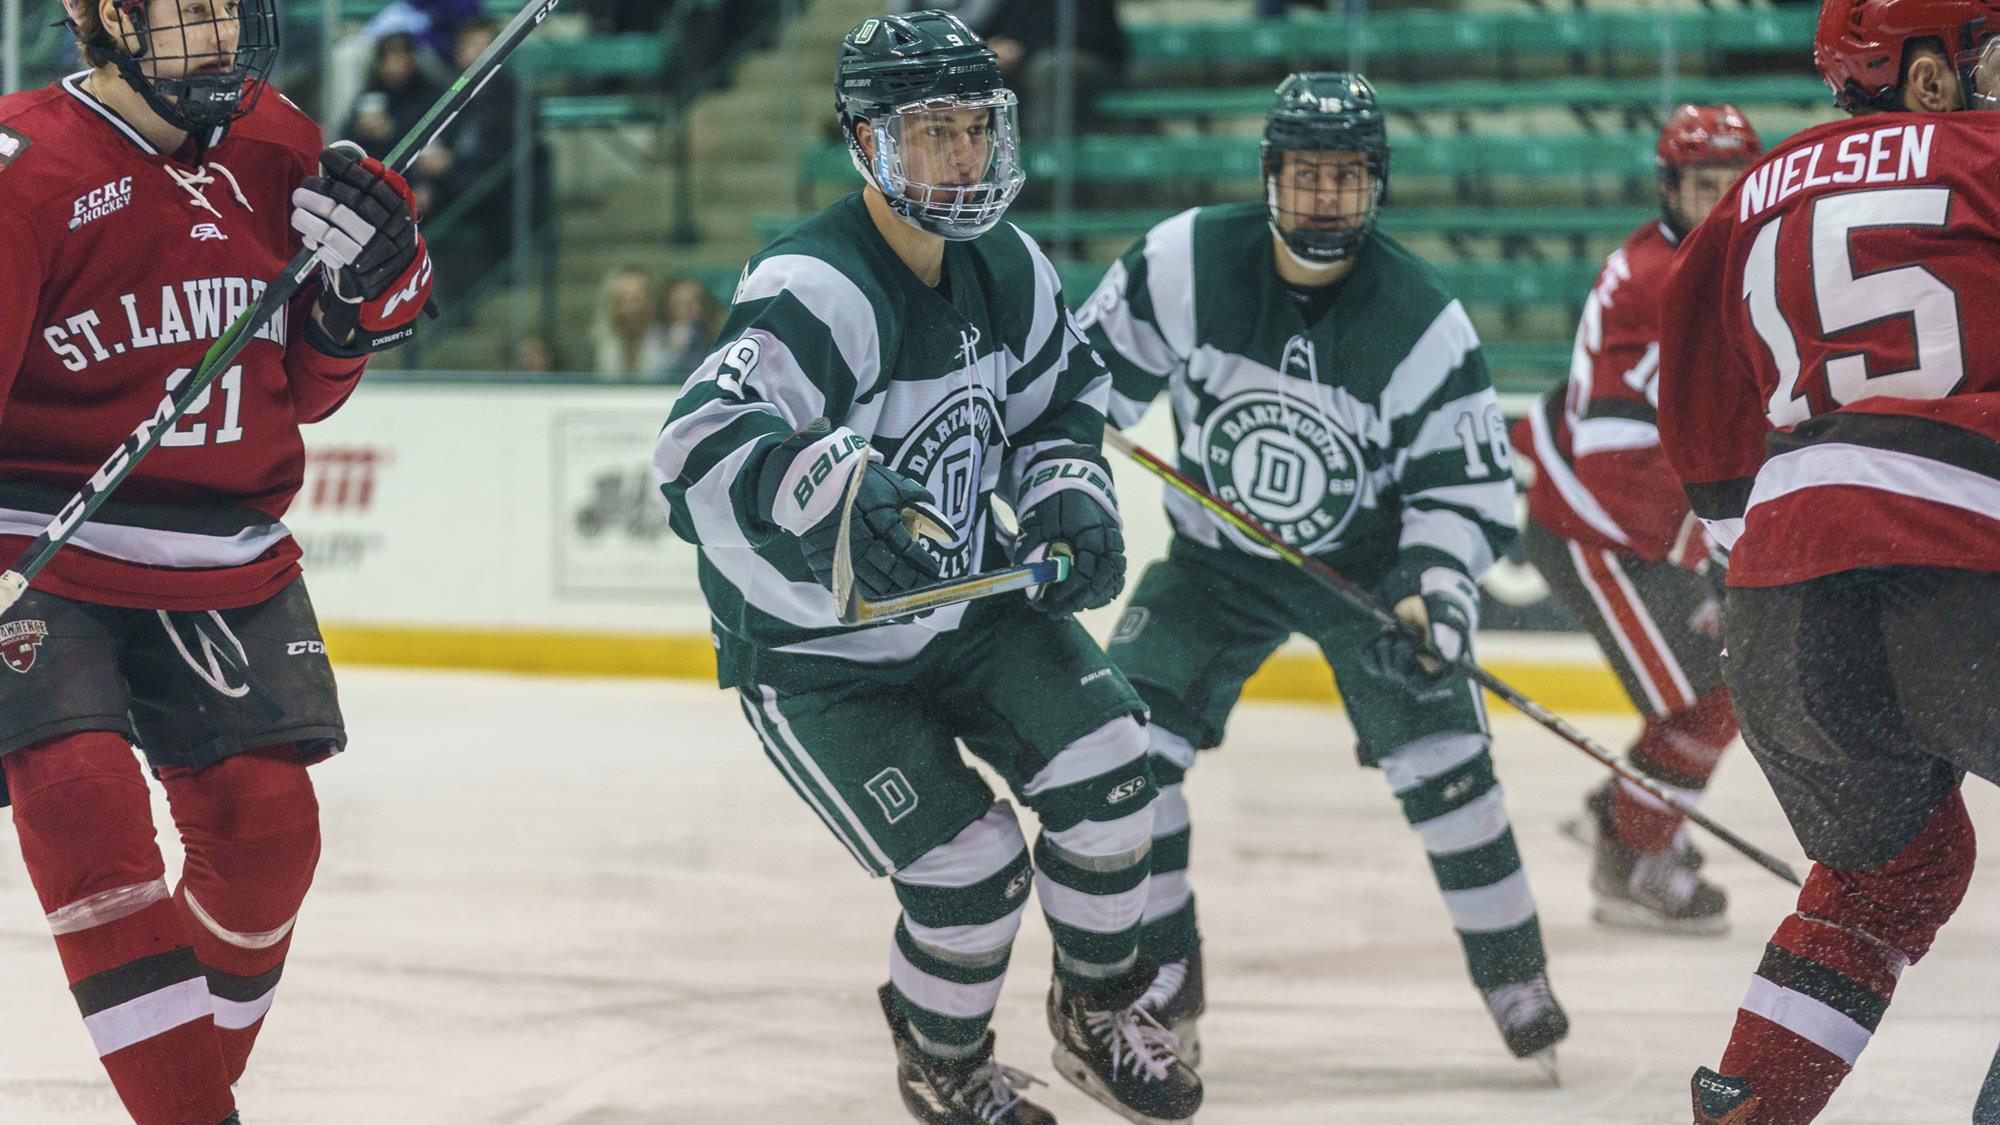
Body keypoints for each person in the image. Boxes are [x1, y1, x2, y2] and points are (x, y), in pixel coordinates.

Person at [652, 11, 1201, 1124]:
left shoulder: (1006, 263)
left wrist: (1065, 499)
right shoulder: (817, 287)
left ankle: (1097, 1009)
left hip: (967, 606)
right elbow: (693, 450)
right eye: (927, 135)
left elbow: (1057, 404)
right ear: (865, 144)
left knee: (1113, 769)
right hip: (818, 653)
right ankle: (941, 1065)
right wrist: (833, 487)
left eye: (972, 132)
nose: (958, 160)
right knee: (970, 871)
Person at [1080, 71, 1569, 1073]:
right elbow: (1081, 391)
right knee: (1128, 757)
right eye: (1305, 177)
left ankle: (1516, 978)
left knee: (1447, 776)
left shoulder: (1420, 318)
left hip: (1371, 573)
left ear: (1375, 187)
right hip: (1213, 567)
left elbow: (1461, 492)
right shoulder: (1182, 262)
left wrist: (1432, 591)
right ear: (1269, 177)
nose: (1323, 202)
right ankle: (1165, 975)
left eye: (1344, 181)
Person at [0, 0, 435, 1122]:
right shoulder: (20, 168)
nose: (221, 31)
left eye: (230, 5)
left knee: (268, 834)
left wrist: (360, 297)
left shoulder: (279, 144)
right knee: (85, 805)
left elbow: (310, 388)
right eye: (189, 8)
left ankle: (183, 1093)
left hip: (226, 552)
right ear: (102, 15)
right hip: (41, 543)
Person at [1657, 2, 2000, 1121]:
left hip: (1779, 592)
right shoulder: (1989, 156)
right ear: (1926, 75)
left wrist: (1743, 545)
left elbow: (1697, 402)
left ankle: (1749, 1107)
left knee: (1884, 881)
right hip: (1963, 562)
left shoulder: (1758, 187)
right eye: (1984, 54)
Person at [1510, 104, 1763, 937]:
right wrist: (1720, 542)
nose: (1720, 202)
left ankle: (1626, 810)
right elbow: (1617, 460)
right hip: (1596, 529)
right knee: (1709, 693)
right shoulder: (1656, 278)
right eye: (1703, 187)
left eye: (1734, 186)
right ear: (1668, 189)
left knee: (1708, 685)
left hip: (1640, 519)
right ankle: (1630, 857)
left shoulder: (1728, 261)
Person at [591, 266, 673, 380]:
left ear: (652, 303)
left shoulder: (670, 344)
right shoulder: (599, 344)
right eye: (622, 300)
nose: (630, 309)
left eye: (636, 299)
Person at [657, 277, 723, 381]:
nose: (685, 309)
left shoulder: (717, 337)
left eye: (691, 303)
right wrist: (674, 351)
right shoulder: (657, 335)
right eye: (679, 303)